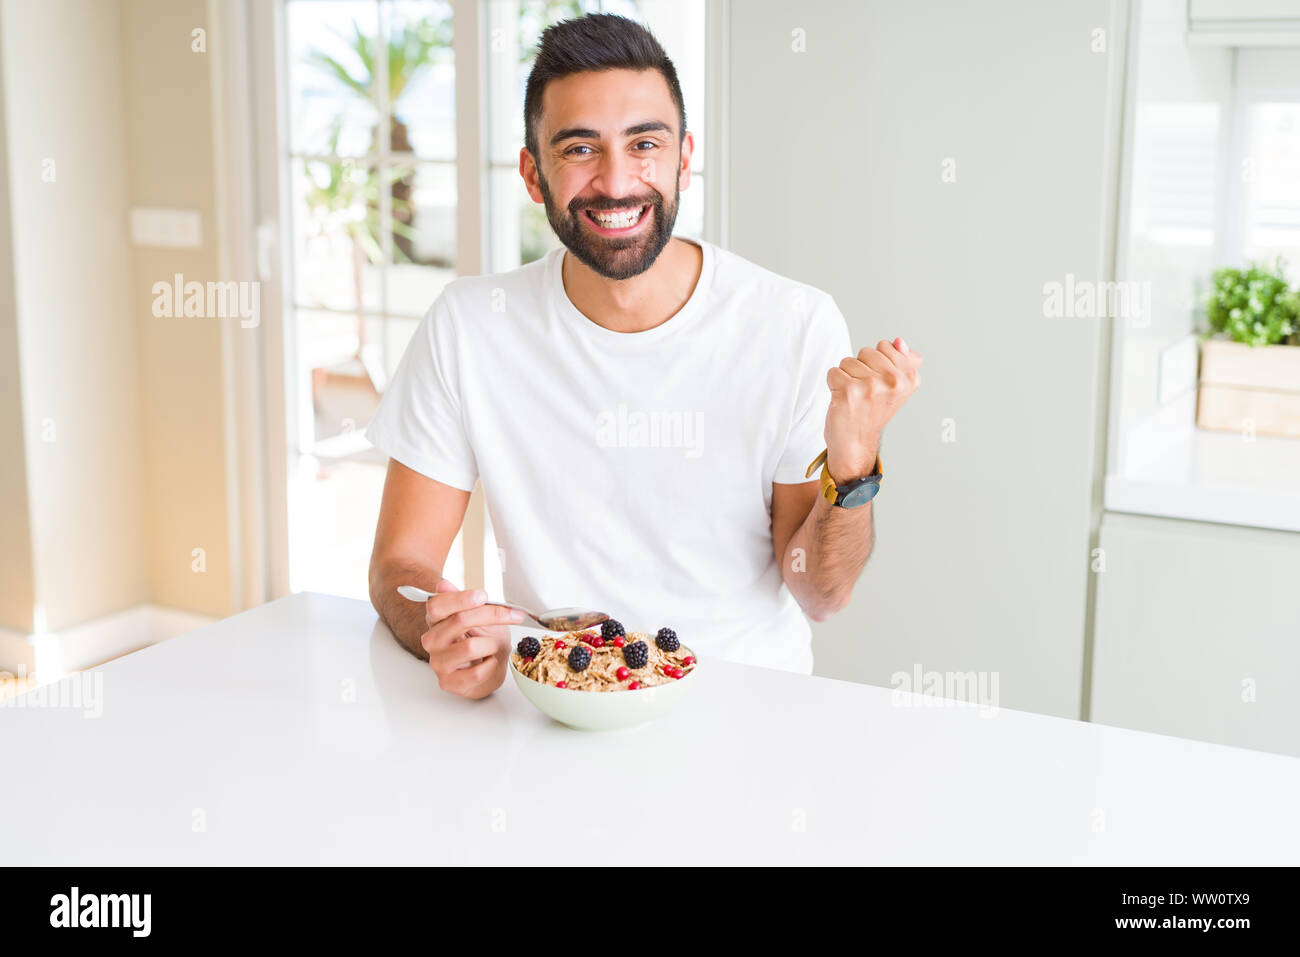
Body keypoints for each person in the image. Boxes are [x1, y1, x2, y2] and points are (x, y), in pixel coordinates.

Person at [366, 12, 921, 699]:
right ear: (534, 175)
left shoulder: (794, 324)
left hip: (748, 715)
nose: (617, 180)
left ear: (684, 156)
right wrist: (438, 625)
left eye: (644, 144)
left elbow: (821, 593)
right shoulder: (469, 326)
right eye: (578, 149)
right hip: (556, 711)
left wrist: (853, 464)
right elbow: (400, 562)